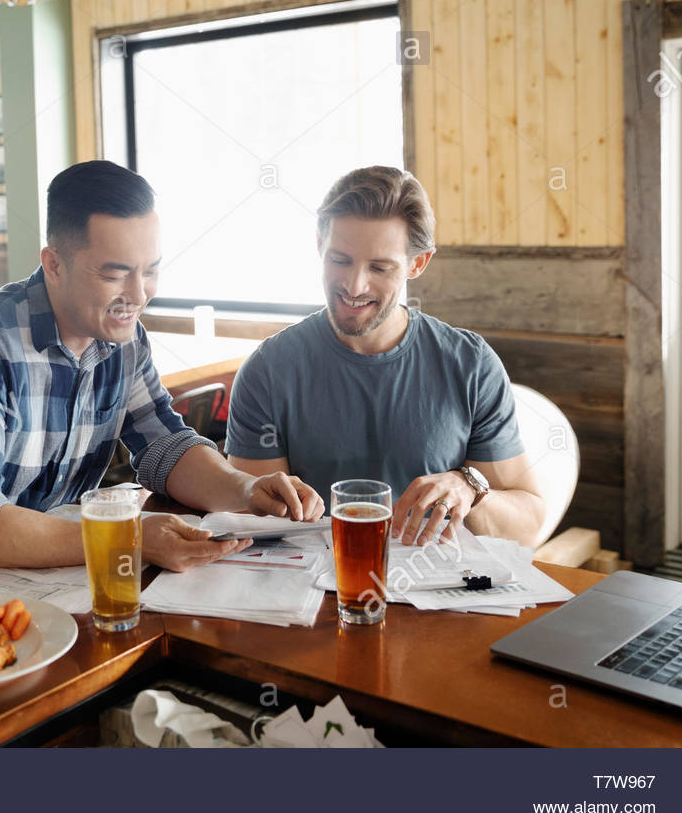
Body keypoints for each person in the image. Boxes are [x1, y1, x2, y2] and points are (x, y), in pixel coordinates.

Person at [0, 160, 323, 574]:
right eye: (115, 273)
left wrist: (245, 490)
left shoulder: (123, 336)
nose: (138, 295)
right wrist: (126, 537)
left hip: (34, 582)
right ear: (54, 264)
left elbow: (165, 446)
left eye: (150, 270)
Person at [226, 166, 546, 547]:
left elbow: (526, 527)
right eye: (340, 260)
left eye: (379, 267)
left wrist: (470, 488)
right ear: (318, 245)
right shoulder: (269, 369)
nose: (353, 285)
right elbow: (250, 523)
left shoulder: (470, 364)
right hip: (315, 588)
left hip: (440, 592)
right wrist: (274, 508)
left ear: (418, 263)